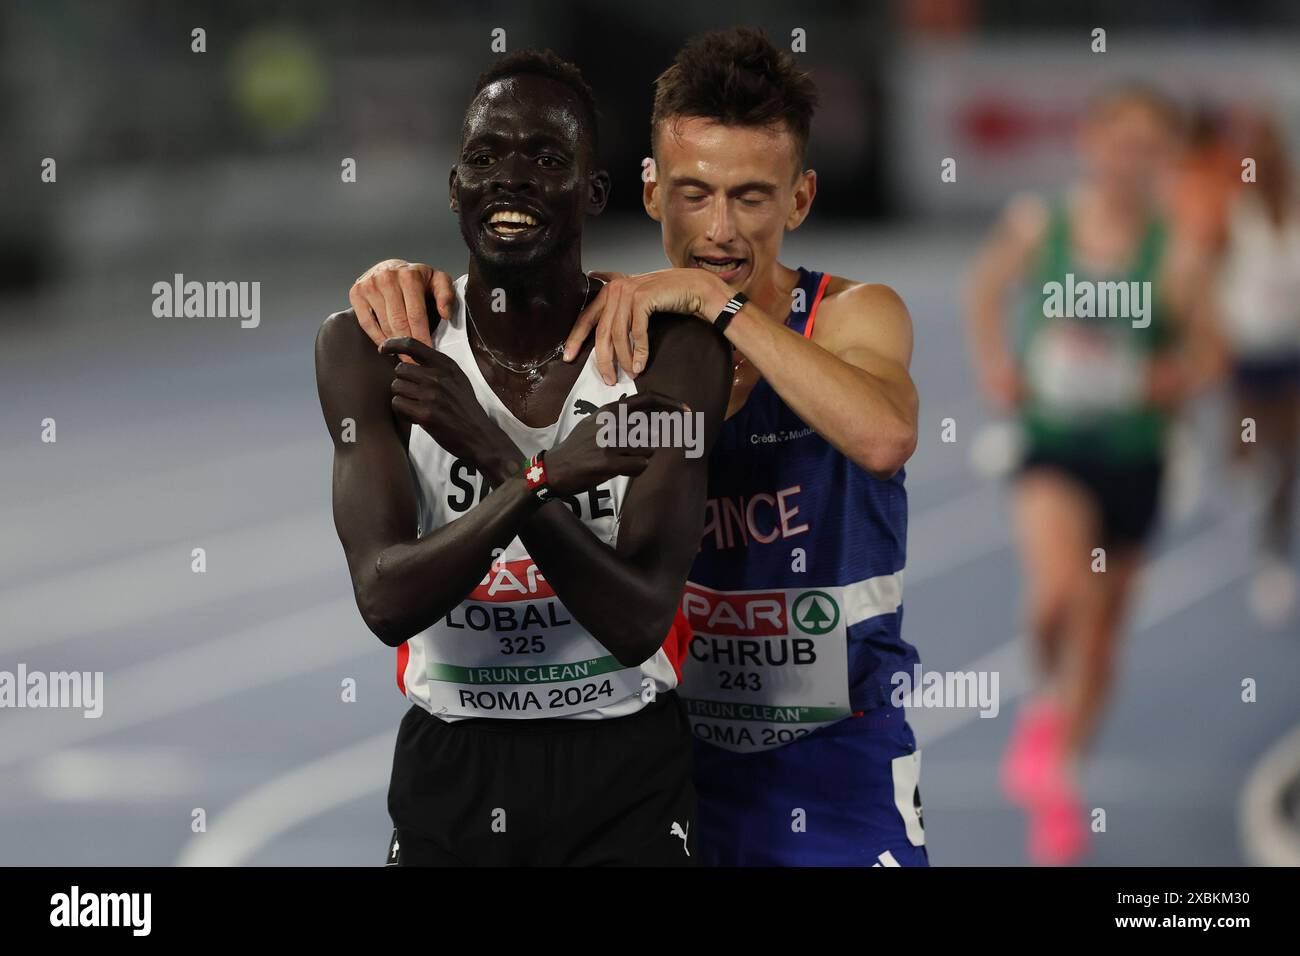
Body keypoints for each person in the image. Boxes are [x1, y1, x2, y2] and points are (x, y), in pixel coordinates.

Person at [348, 28, 926, 867]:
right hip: (672, 759)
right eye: (694, 193)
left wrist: (716, 305)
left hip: (833, 767)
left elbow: (884, 436)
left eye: (752, 197)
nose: (720, 229)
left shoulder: (849, 316)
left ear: (799, 200)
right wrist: (398, 279)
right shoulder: (626, 334)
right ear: (651, 192)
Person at [315, 49, 731, 866]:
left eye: (545, 158)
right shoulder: (369, 351)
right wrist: (539, 474)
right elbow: (385, 598)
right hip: (455, 768)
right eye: (483, 157)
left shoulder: (674, 358)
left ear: (595, 191)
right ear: (454, 187)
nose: (509, 178)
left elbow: (638, 621)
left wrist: (496, 457)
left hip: (623, 771)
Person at [964, 85, 1223, 864]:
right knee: (1058, 596)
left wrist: (1173, 379)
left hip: (1135, 455)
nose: (1130, 161)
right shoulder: (1042, 226)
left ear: (1164, 159)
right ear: (1092, 144)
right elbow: (985, 289)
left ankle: (1060, 775)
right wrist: (996, 366)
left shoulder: (1177, 250)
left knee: (1104, 639)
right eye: (1121, 142)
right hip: (1054, 444)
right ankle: (1044, 714)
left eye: (1149, 147)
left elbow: (1211, 353)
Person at [1214, 112, 1300, 626]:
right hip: (1248, 348)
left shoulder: (1294, 209)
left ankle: (1273, 553)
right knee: (1247, 450)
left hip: (1291, 348)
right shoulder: (1233, 210)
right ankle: (1246, 499)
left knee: (1287, 457)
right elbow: (1209, 274)